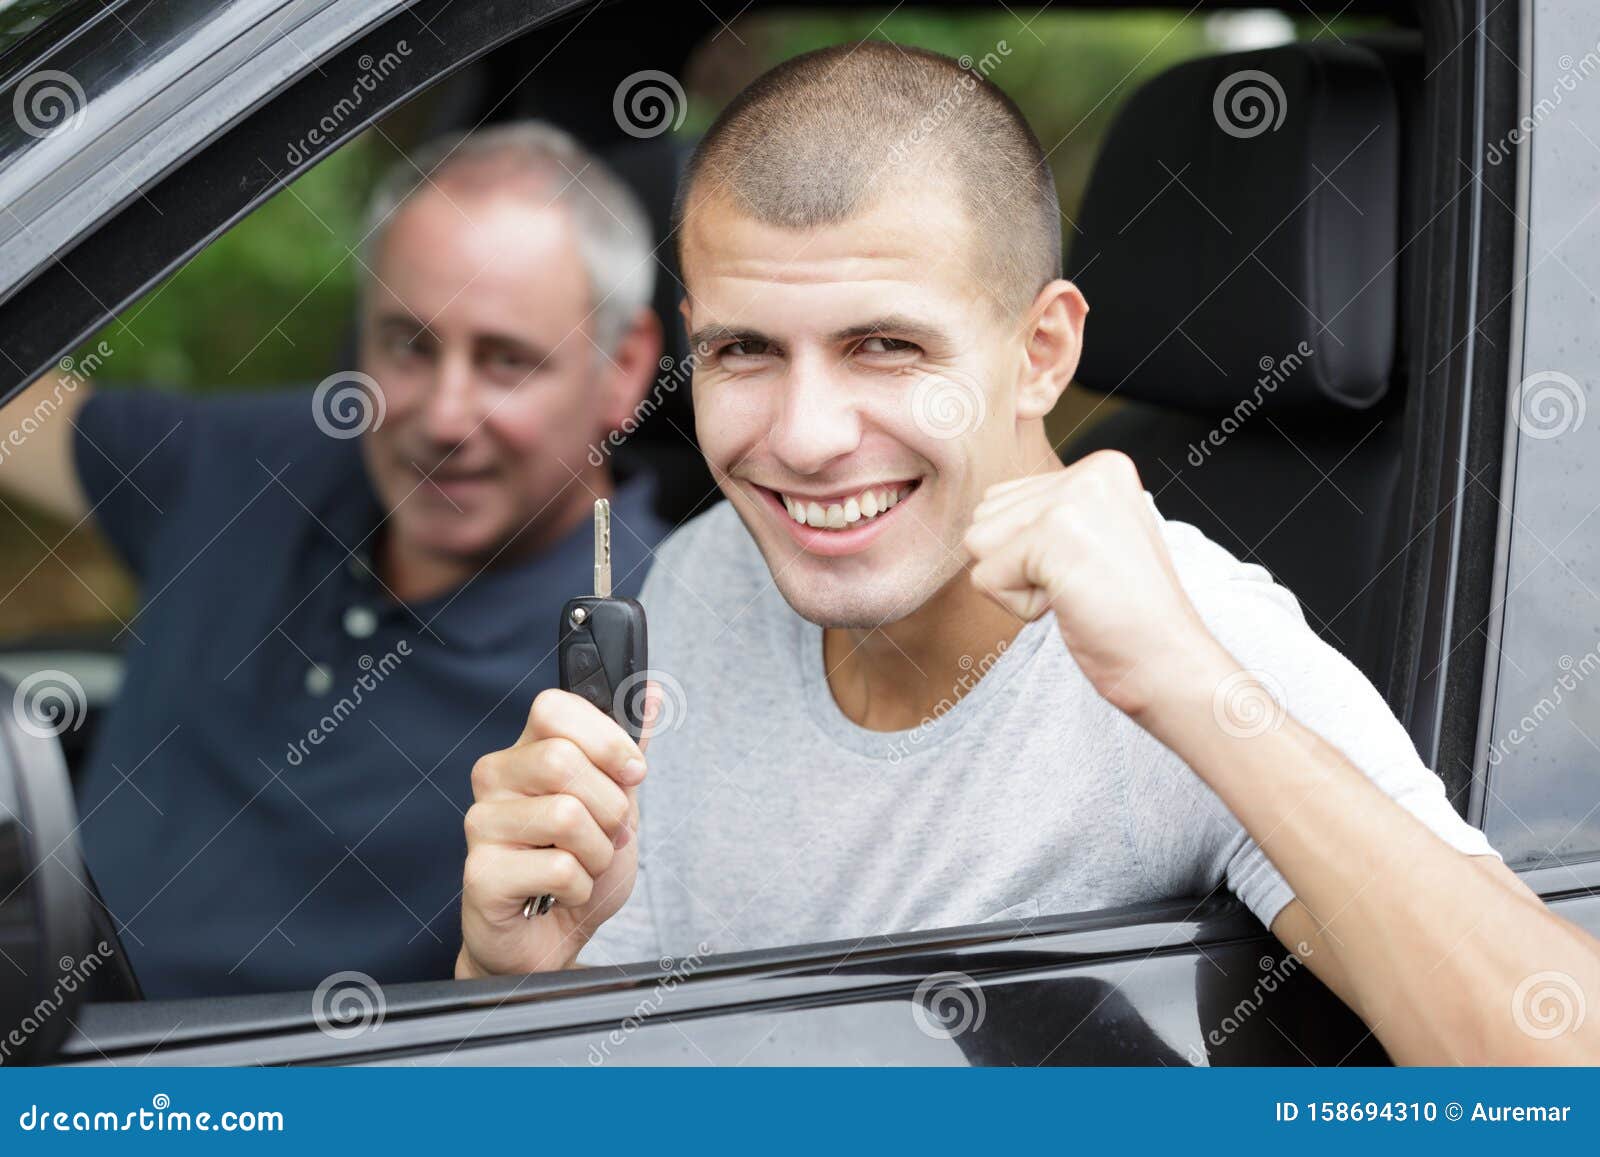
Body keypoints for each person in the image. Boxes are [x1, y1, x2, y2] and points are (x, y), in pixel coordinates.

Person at [456, 46, 1600, 1064]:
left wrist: (1185, 686)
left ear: (1041, 351)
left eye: (886, 345)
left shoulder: (1193, 631)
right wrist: (511, 984)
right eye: (744, 350)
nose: (802, 440)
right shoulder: (707, 574)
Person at [0, 122, 670, 997]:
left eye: (507, 361)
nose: (445, 415)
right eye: (409, 344)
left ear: (624, 368)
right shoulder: (261, 460)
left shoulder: (642, 662)